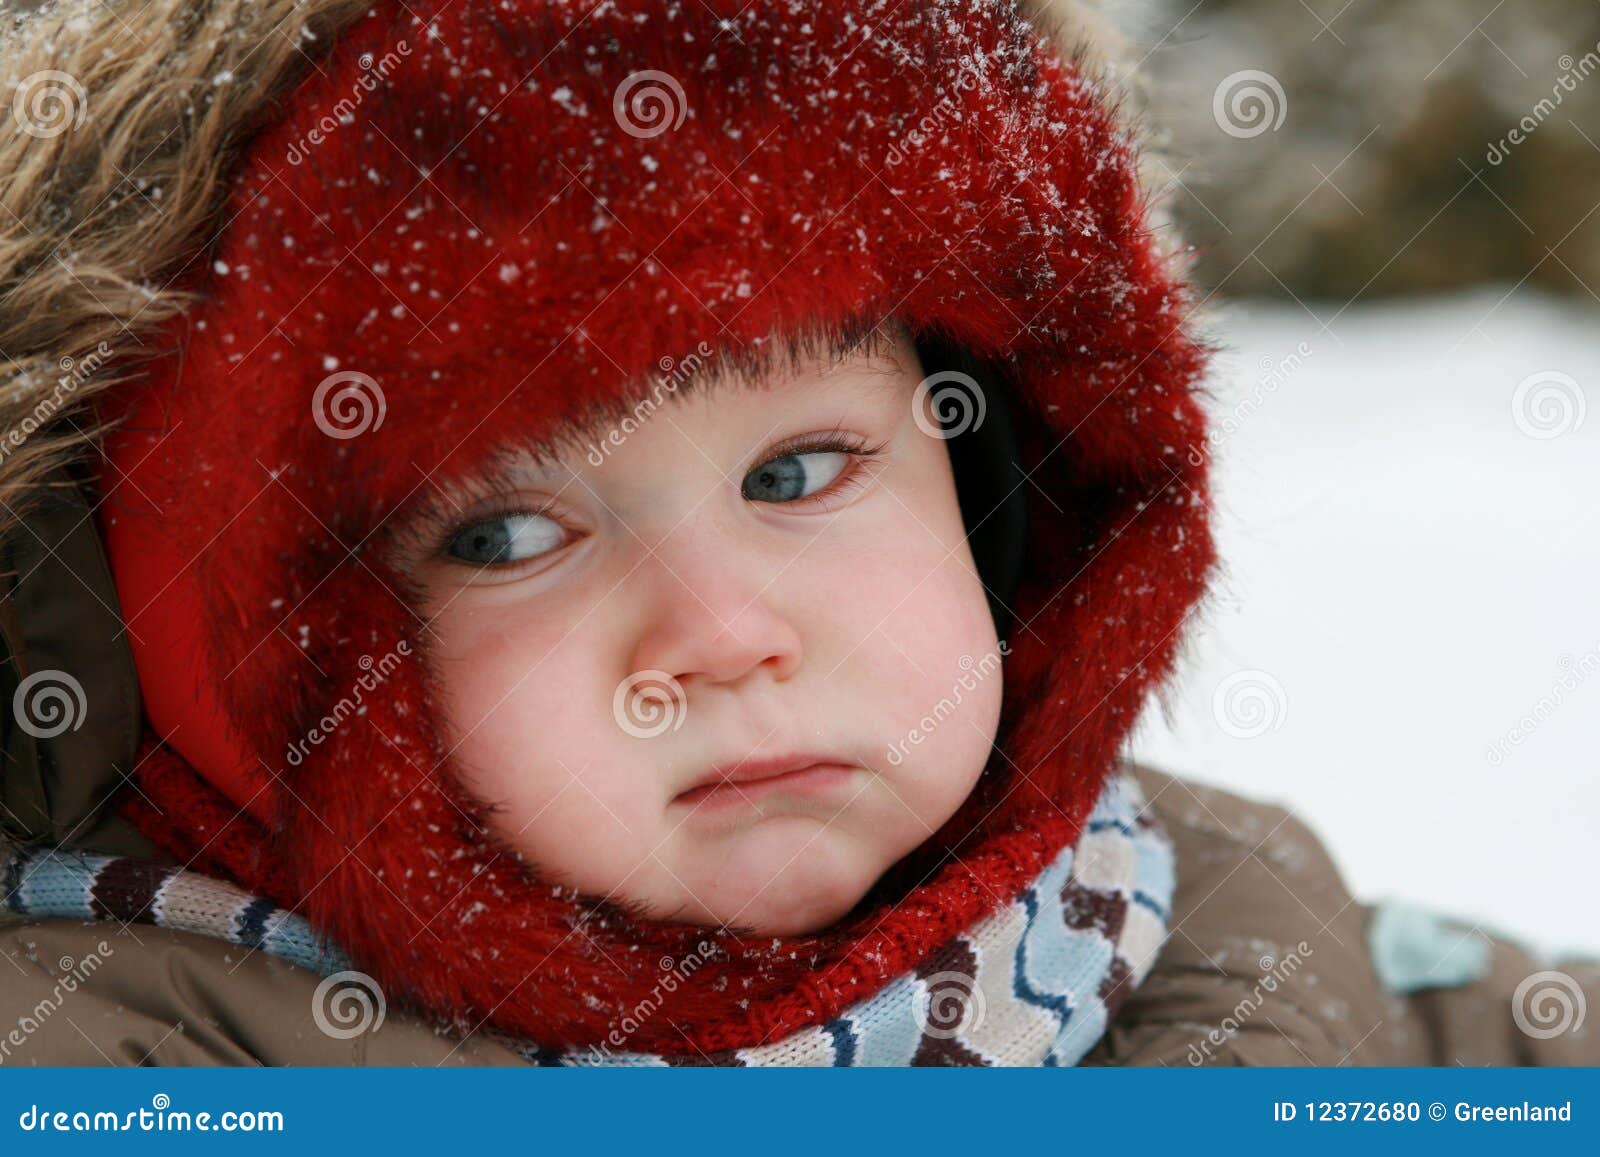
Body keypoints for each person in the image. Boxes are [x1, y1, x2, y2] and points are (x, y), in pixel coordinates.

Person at [0, 0, 1593, 1066]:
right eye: (503, 535)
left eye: (797, 472)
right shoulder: (123, 1052)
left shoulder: (1246, 946)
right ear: (236, 677)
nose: (723, 633)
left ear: (999, 498)